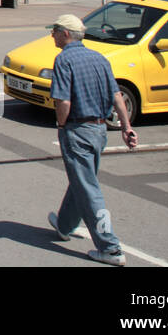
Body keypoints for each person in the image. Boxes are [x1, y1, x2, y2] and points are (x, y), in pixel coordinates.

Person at [47, 13, 137, 265]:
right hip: (98, 131)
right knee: (83, 180)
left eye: (54, 30)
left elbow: (63, 100)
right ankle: (65, 224)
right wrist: (126, 126)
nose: (52, 34)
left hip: (78, 129)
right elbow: (117, 96)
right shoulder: (99, 58)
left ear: (66, 33)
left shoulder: (64, 60)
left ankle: (110, 247)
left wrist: (62, 126)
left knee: (88, 188)